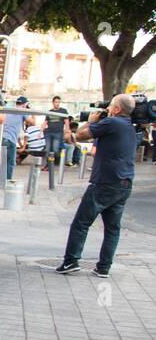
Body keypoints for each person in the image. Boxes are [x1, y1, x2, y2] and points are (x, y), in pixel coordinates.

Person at [57, 94, 138, 278]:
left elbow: (80, 135)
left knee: (81, 223)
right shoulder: (128, 127)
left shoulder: (112, 123)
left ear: (117, 109)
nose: (107, 108)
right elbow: (95, 150)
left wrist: (89, 121)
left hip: (105, 182)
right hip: (124, 182)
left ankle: (71, 261)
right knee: (112, 228)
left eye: (111, 105)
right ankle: (103, 267)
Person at [2, 96, 28, 181]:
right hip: (10, 140)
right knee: (11, 162)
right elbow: (32, 122)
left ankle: (1, 180)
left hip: (3, 138)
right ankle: (7, 180)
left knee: (4, 162)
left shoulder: (9, 110)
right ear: (24, 104)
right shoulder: (22, 111)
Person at [44, 96, 70, 168]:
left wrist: (67, 131)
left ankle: (57, 161)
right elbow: (45, 122)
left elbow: (66, 122)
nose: (57, 104)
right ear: (53, 103)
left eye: (58, 102)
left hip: (58, 132)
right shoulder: (49, 112)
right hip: (49, 132)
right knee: (47, 149)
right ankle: (48, 164)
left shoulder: (63, 111)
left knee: (55, 149)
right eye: (56, 102)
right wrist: (40, 131)